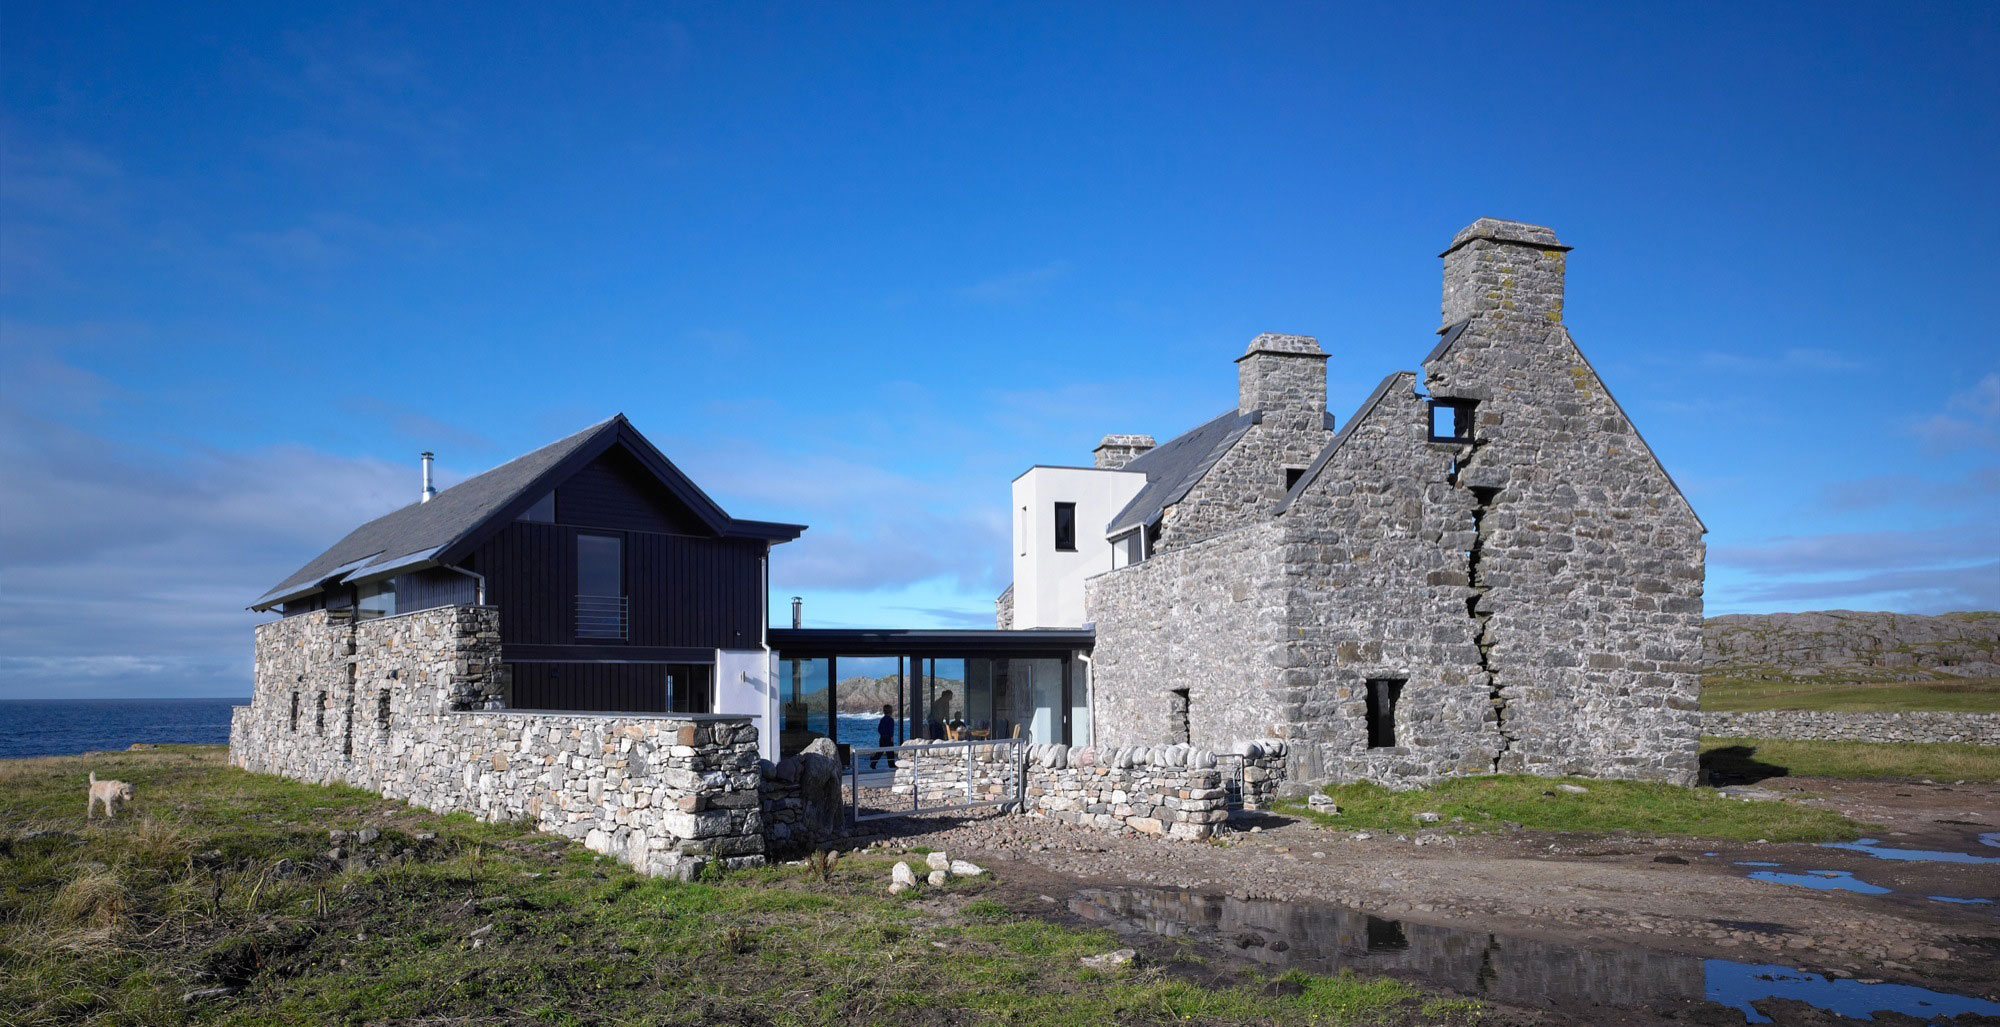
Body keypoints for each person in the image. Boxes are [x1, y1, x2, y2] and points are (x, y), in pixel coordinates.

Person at [871, 704, 895, 769]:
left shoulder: (882, 719)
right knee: (890, 752)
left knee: (880, 751)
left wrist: (882, 734)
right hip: (888, 738)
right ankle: (891, 764)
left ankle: (873, 763)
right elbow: (891, 730)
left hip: (882, 738)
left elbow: (879, 729)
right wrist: (891, 737)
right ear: (890, 711)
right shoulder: (891, 720)